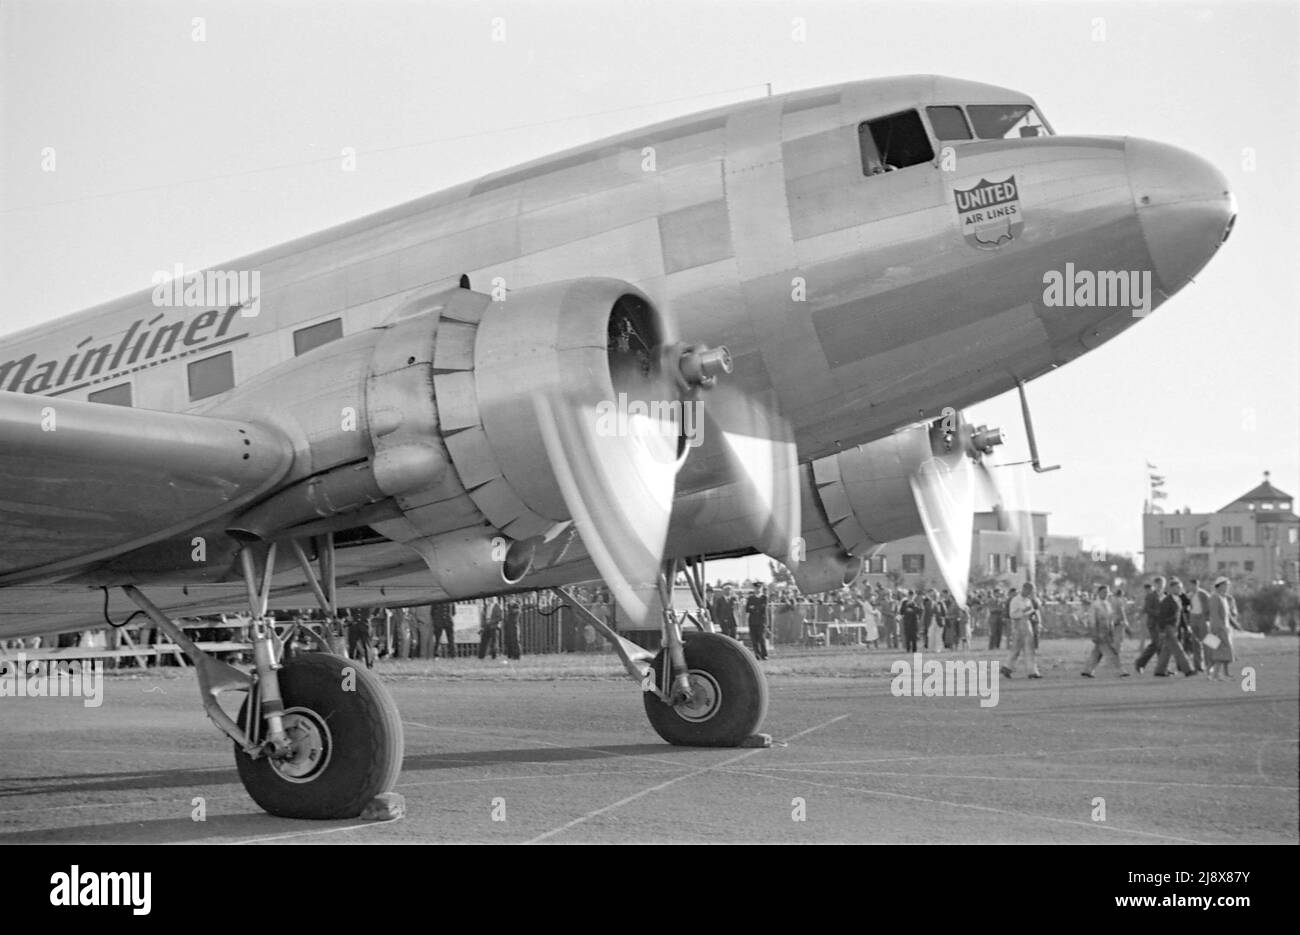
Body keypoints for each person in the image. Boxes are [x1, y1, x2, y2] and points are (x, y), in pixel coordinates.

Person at [1082, 584, 1129, 677]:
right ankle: (1120, 670)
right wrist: (1094, 633)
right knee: (1111, 652)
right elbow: (1092, 620)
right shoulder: (1095, 605)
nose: (1106, 594)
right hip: (1100, 632)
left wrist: (1112, 629)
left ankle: (1088, 670)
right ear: (1098, 593)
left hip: (1107, 632)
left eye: (1107, 592)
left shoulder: (1107, 604)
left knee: (1097, 653)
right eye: (1104, 592)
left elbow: (1110, 619)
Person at [1151, 578, 1195, 677]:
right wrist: (1162, 630)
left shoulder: (1178, 599)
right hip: (1167, 627)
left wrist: (1186, 626)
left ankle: (1160, 671)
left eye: (1180, 587)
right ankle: (1188, 669)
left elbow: (1181, 615)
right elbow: (1161, 617)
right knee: (1178, 648)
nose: (1180, 589)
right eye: (1177, 587)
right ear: (1171, 588)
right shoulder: (1167, 600)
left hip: (1174, 627)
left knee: (1167, 650)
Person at [1001, 581, 1042, 679]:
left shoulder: (1027, 600)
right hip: (1019, 624)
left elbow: (1031, 610)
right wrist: (1023, 612)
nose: (1029, 593)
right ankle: (1031, 671)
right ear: (1024, 589)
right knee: (1021, 648)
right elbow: (1012, 614)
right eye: (1029, 591)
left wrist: (1031, 612)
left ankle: (1008, 667)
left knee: (1026, 648)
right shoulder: (1015, 600)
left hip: (1027, 623)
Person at [1205, 576, 1238, 680]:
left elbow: (1227, 615)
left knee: (1225, 651)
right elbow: (1214, 616)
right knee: (1220, 652)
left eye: (1227, 585)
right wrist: (1220, 628)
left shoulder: (1224, 597)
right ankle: (1214, 674)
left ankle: (1224, 673)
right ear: (1219, 586)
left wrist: (1234, 625)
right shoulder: (1215, 598)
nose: (1227, 587)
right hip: (1217, 629)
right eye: (1225, 585)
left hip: (1224, 628)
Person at [1133, 580, 1164, 674]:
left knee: (1160, 645)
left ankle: (1161, 667)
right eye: (1158, 584)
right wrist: (1158, 614)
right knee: (1156, 643)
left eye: (1162, 584)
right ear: (1155, 585)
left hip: (1161, 624)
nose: (1160, 586)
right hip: (1153, 623)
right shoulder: (1150, 595)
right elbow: (1147, 608)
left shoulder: (1164, 595)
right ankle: (1139, 663)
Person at [1186, 578, 1211, 674]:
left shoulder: (1203, 594)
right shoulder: (1190, 595)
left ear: (1196, 585)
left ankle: (1209, 664)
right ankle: (1198, 665)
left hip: (1202, 619)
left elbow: (1209, 607)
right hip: (1193, 619)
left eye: (1192, 585)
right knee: (1195, 643)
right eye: (1189, 585)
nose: (1190, 587)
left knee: (1207, 642)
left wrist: (1206, 618)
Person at [745, 584, 769, 660]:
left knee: (762, 638)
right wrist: (754, 608)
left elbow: (763, 608)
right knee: (754, 640)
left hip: (761, 621)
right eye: (756, 588)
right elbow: (747, 609)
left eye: (759, 588)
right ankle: (757, 655)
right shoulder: (750, 598)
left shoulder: (764, 598)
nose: (757, 589)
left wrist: (754, 608)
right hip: (752, 621)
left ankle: (764, 654)